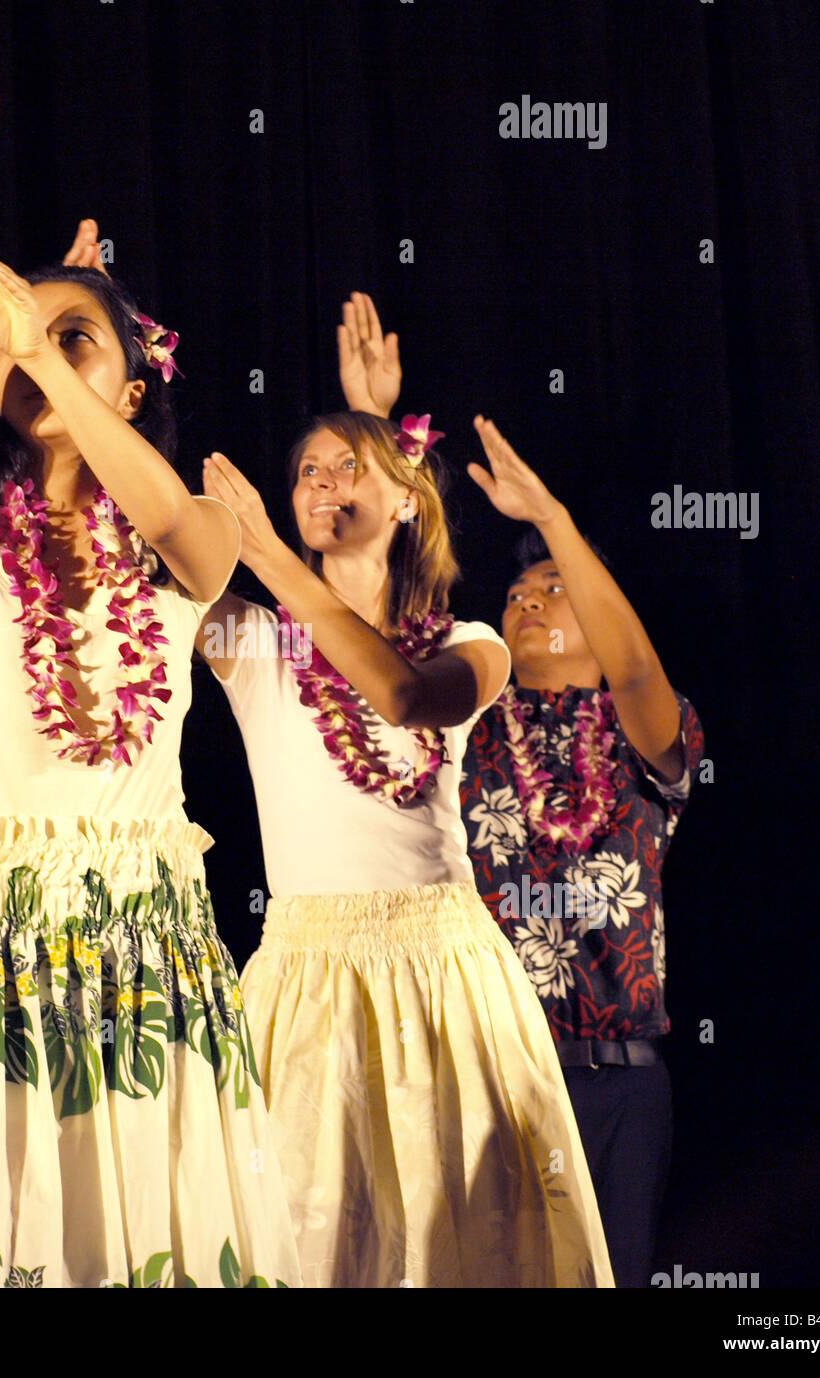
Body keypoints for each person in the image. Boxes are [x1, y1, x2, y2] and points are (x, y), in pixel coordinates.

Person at [0, 23, 298, 1289]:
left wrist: (51, 342)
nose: (28, 343)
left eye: (77, 337)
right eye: (17, 339)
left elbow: (197, 548)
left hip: (148, 957)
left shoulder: (169, 546)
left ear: (135, 385)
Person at [194, 293, 613, 1287]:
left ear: (407, 500)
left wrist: (274, 545)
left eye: (351, 469)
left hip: (439, 969)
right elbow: (134, 535)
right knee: (309, 1248)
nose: (320, 483)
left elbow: (396, 690)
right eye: (305, 470)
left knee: (455, 1245)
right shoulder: (251, 641)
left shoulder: (475, 645)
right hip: (305, 979)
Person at [459, 416, 705, 1287]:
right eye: (517, 592)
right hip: (491, 1073)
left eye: (554, 588)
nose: (527, 601)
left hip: (618, 1090)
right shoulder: (462, 732)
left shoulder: (641, 729)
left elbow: (638, 671)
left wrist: (554, 520)